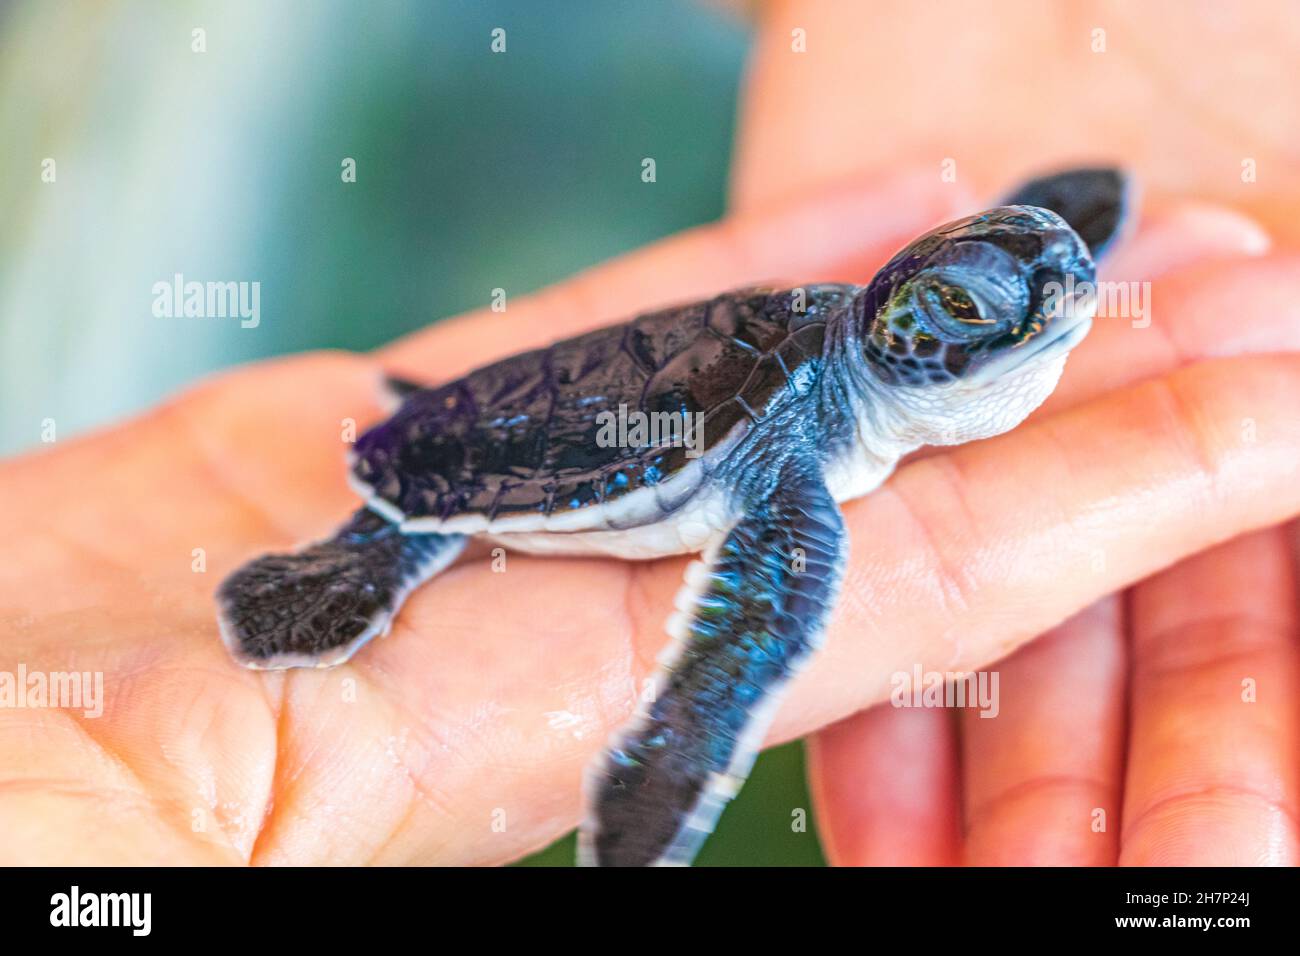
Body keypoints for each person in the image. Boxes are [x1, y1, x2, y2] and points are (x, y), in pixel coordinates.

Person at [1, 0, 1297, 864]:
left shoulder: (886, 326)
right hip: (491, 449)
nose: (1047, 299)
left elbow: (1033, 262)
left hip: (670, 370)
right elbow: (747, 633)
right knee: (728, 606)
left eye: (1052, 280)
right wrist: (668, 773)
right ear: (903, 335)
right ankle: (374, 550)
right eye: (972, 299)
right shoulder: (799, 455)